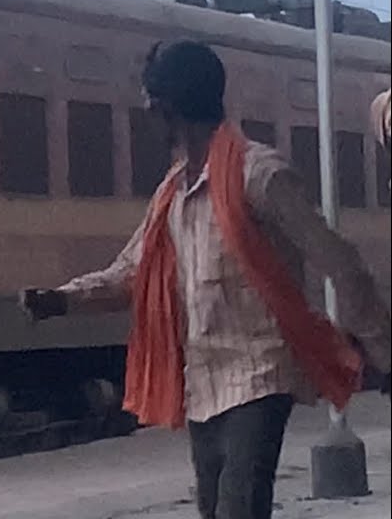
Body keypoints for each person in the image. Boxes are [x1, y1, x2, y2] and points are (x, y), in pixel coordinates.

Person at [20, 41, 392, 519]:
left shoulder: (260, 175)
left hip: (261, 374)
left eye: (151, 97)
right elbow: (133, 271)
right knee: (215, 509)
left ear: (168, 104)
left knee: (240, 506)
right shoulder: (174, 193)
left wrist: (382, 349)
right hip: (203, 380)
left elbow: (339, 262)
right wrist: (61, 301)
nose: (147, 107)